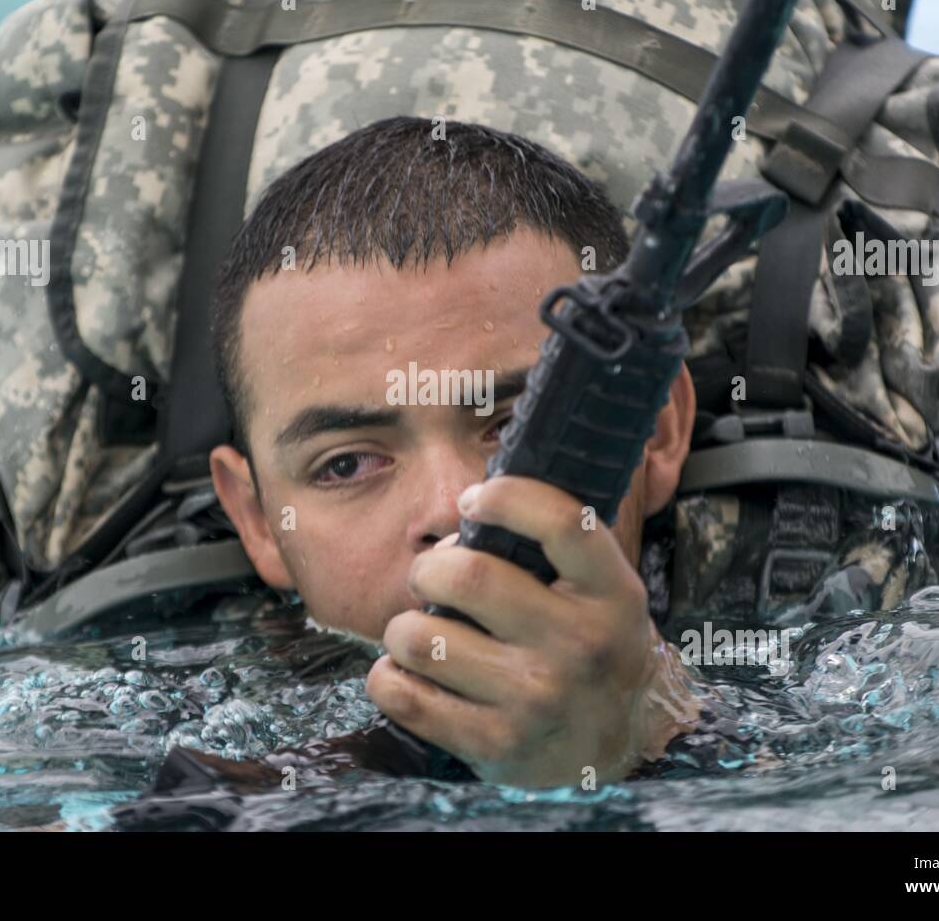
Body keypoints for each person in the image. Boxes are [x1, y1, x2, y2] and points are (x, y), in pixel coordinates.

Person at [206, 114, 705, 788]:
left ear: (657, 427)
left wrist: (648, 739)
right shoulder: (160, 717)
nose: (453, 512)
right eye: (347, 463)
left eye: (513, 423)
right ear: (259, 520)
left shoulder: (846, 633)